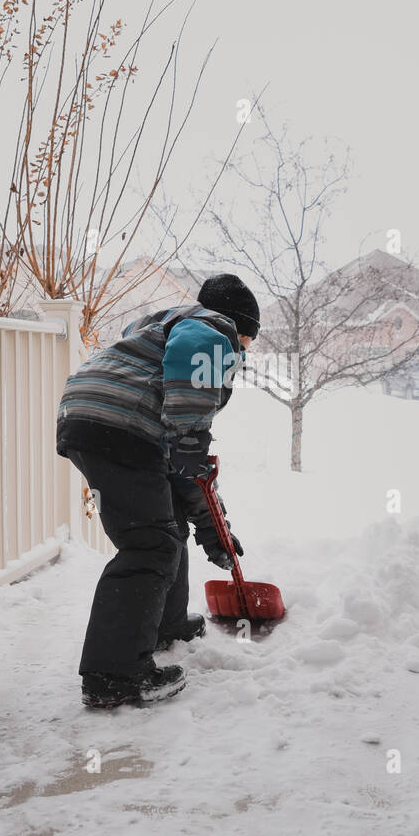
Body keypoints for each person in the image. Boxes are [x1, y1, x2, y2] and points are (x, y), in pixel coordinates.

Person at [56, 273, 260, 708]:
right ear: (236, 325)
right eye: (245, 341)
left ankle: (165, 623)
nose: (241, 353)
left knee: (164, 526)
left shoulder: (158, 331)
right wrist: (189, 438)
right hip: (121, 424)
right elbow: (187, 436)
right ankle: (113, 676)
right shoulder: (211, 330)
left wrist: (211, 531)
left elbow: (186, 476)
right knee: (149, 544)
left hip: (92, 416)